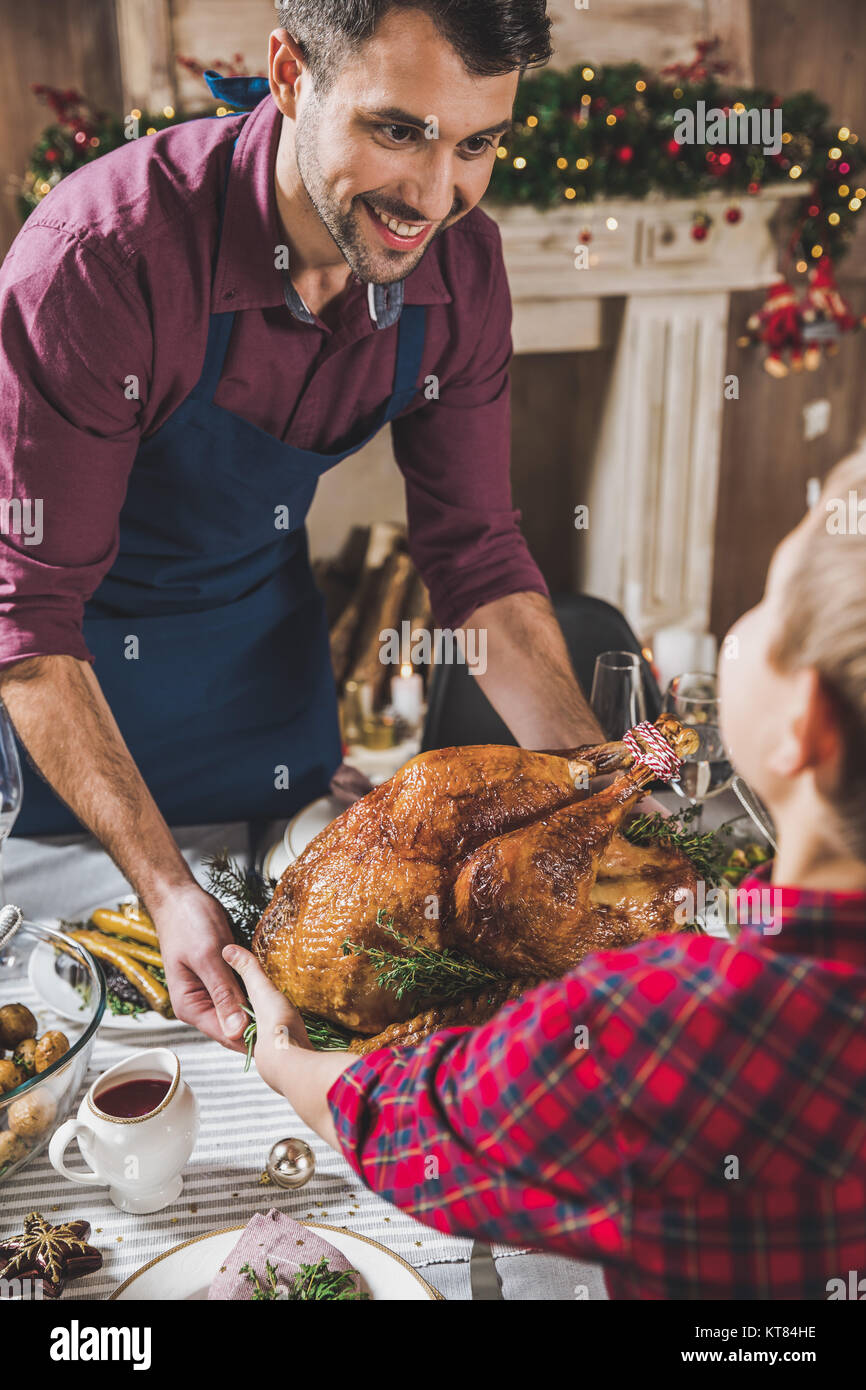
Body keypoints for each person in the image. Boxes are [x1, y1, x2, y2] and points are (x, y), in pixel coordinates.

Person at [0, 1, 610, 1048]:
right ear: (287, 75)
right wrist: (162, 884)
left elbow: (476, 560)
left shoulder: (459, 268)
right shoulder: (101, 260)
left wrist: (600, 801)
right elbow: (27, 616)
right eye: (395, 129)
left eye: (476, 145)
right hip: (75, 709)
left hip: (263, 686)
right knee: (109, 1025)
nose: (434, 195)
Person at [226, 445, 866, 1299]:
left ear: (807, 725)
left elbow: (406, 1127)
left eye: (770, 606)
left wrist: (282, 1058)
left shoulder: (668, 1027)